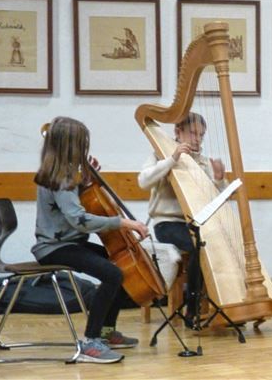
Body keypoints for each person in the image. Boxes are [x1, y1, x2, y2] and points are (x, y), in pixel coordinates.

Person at [33, 117, 150, 364]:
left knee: (119, 268)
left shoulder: (65, 175)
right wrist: (122, 222)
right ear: (70, 145)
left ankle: (107, 332)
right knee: (112, 274)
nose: (84, 149)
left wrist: (86, 181)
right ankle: (90, 343)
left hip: (69, 242)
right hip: (55, 248)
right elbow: (79, 220)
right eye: (81, 144)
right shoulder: (60, 178)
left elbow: (77, 209)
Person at [137, 112, 225, 324]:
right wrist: (173, 158)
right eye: (193, 133)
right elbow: (143, 181)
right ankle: (191, 308)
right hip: (167, 224)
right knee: (199, 246)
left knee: (217, 245)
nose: (197, 139)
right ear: (178, 132)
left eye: (201, 135)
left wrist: (220, 181)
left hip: (194, 223)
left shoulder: (203, 162)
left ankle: (224, 304)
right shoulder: (161, 154)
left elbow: (212, 198)